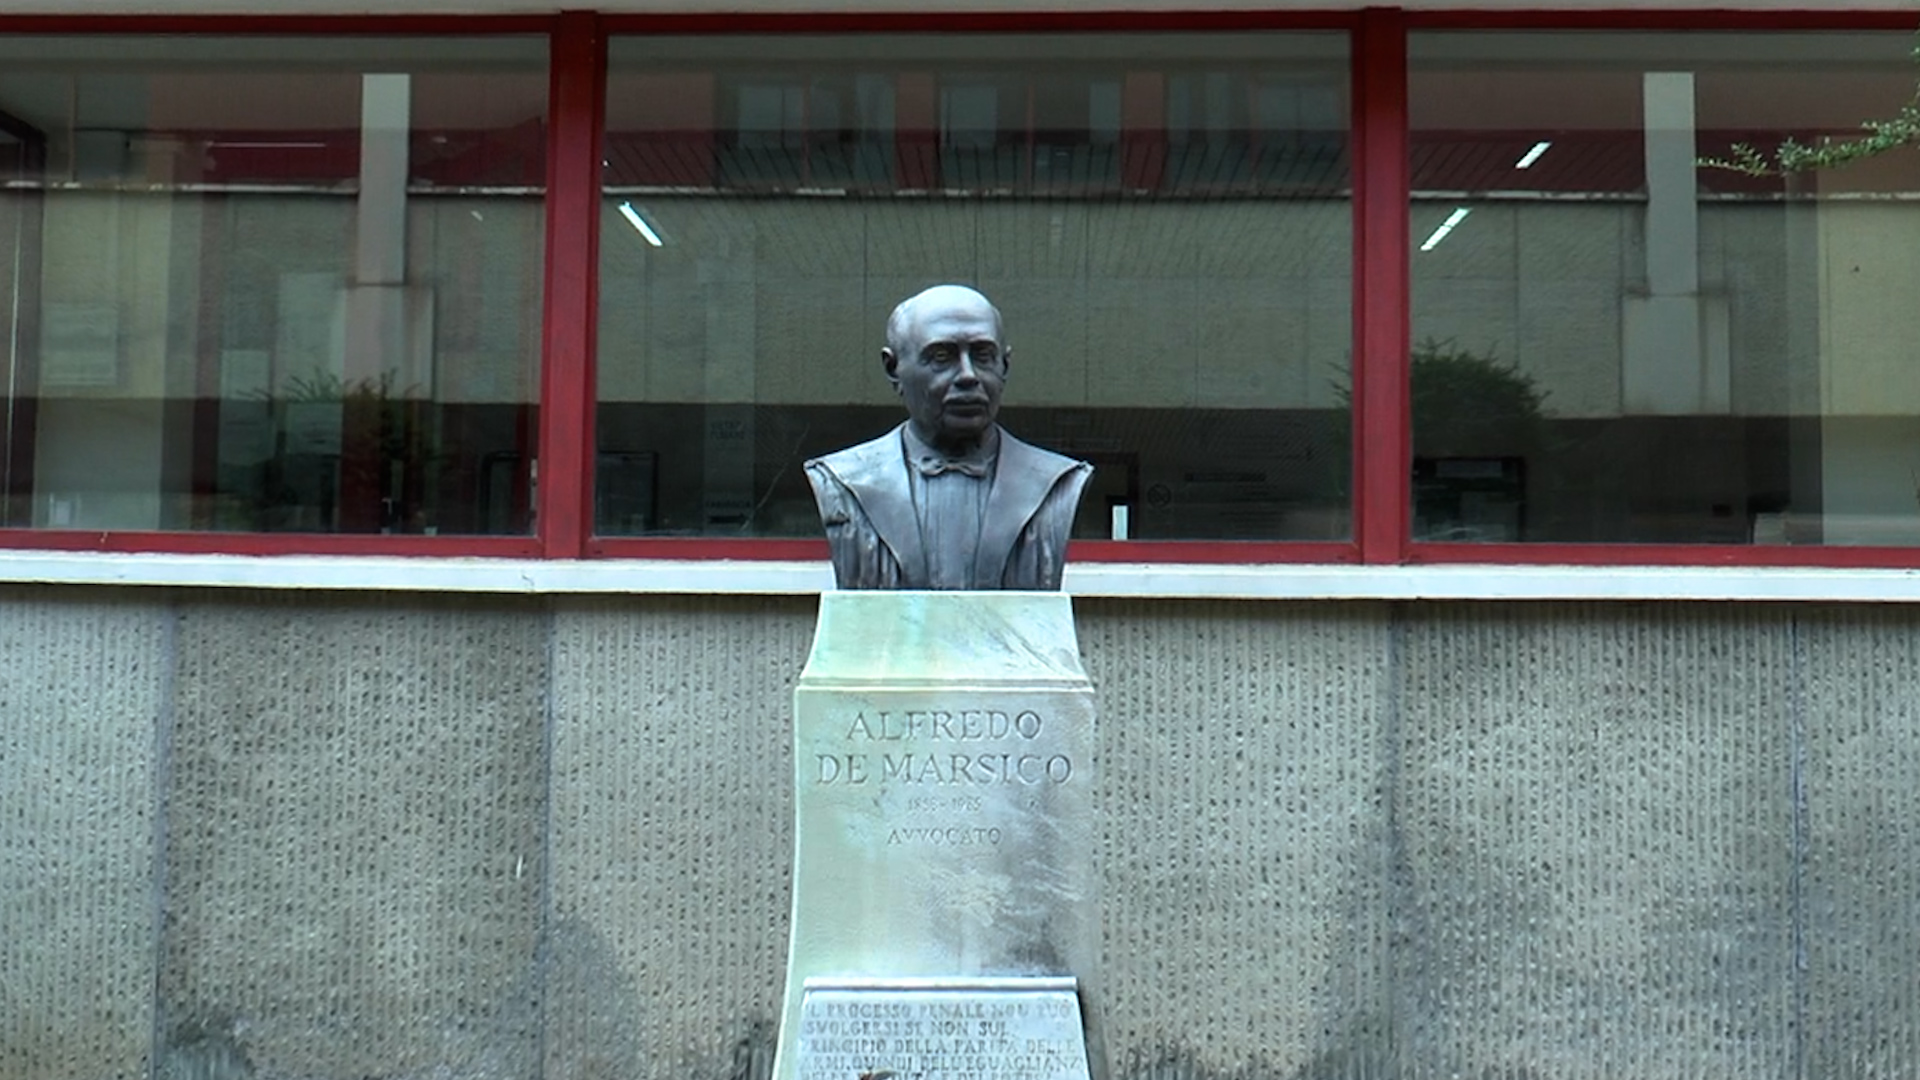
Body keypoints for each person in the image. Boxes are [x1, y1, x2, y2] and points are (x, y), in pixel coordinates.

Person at [806, 285, 1091, 590]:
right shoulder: (842, 480)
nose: (968, 375)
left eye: (983, 356)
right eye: (941, 357)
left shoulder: (1058, 482)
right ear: (893, 369)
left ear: (1004, 366)